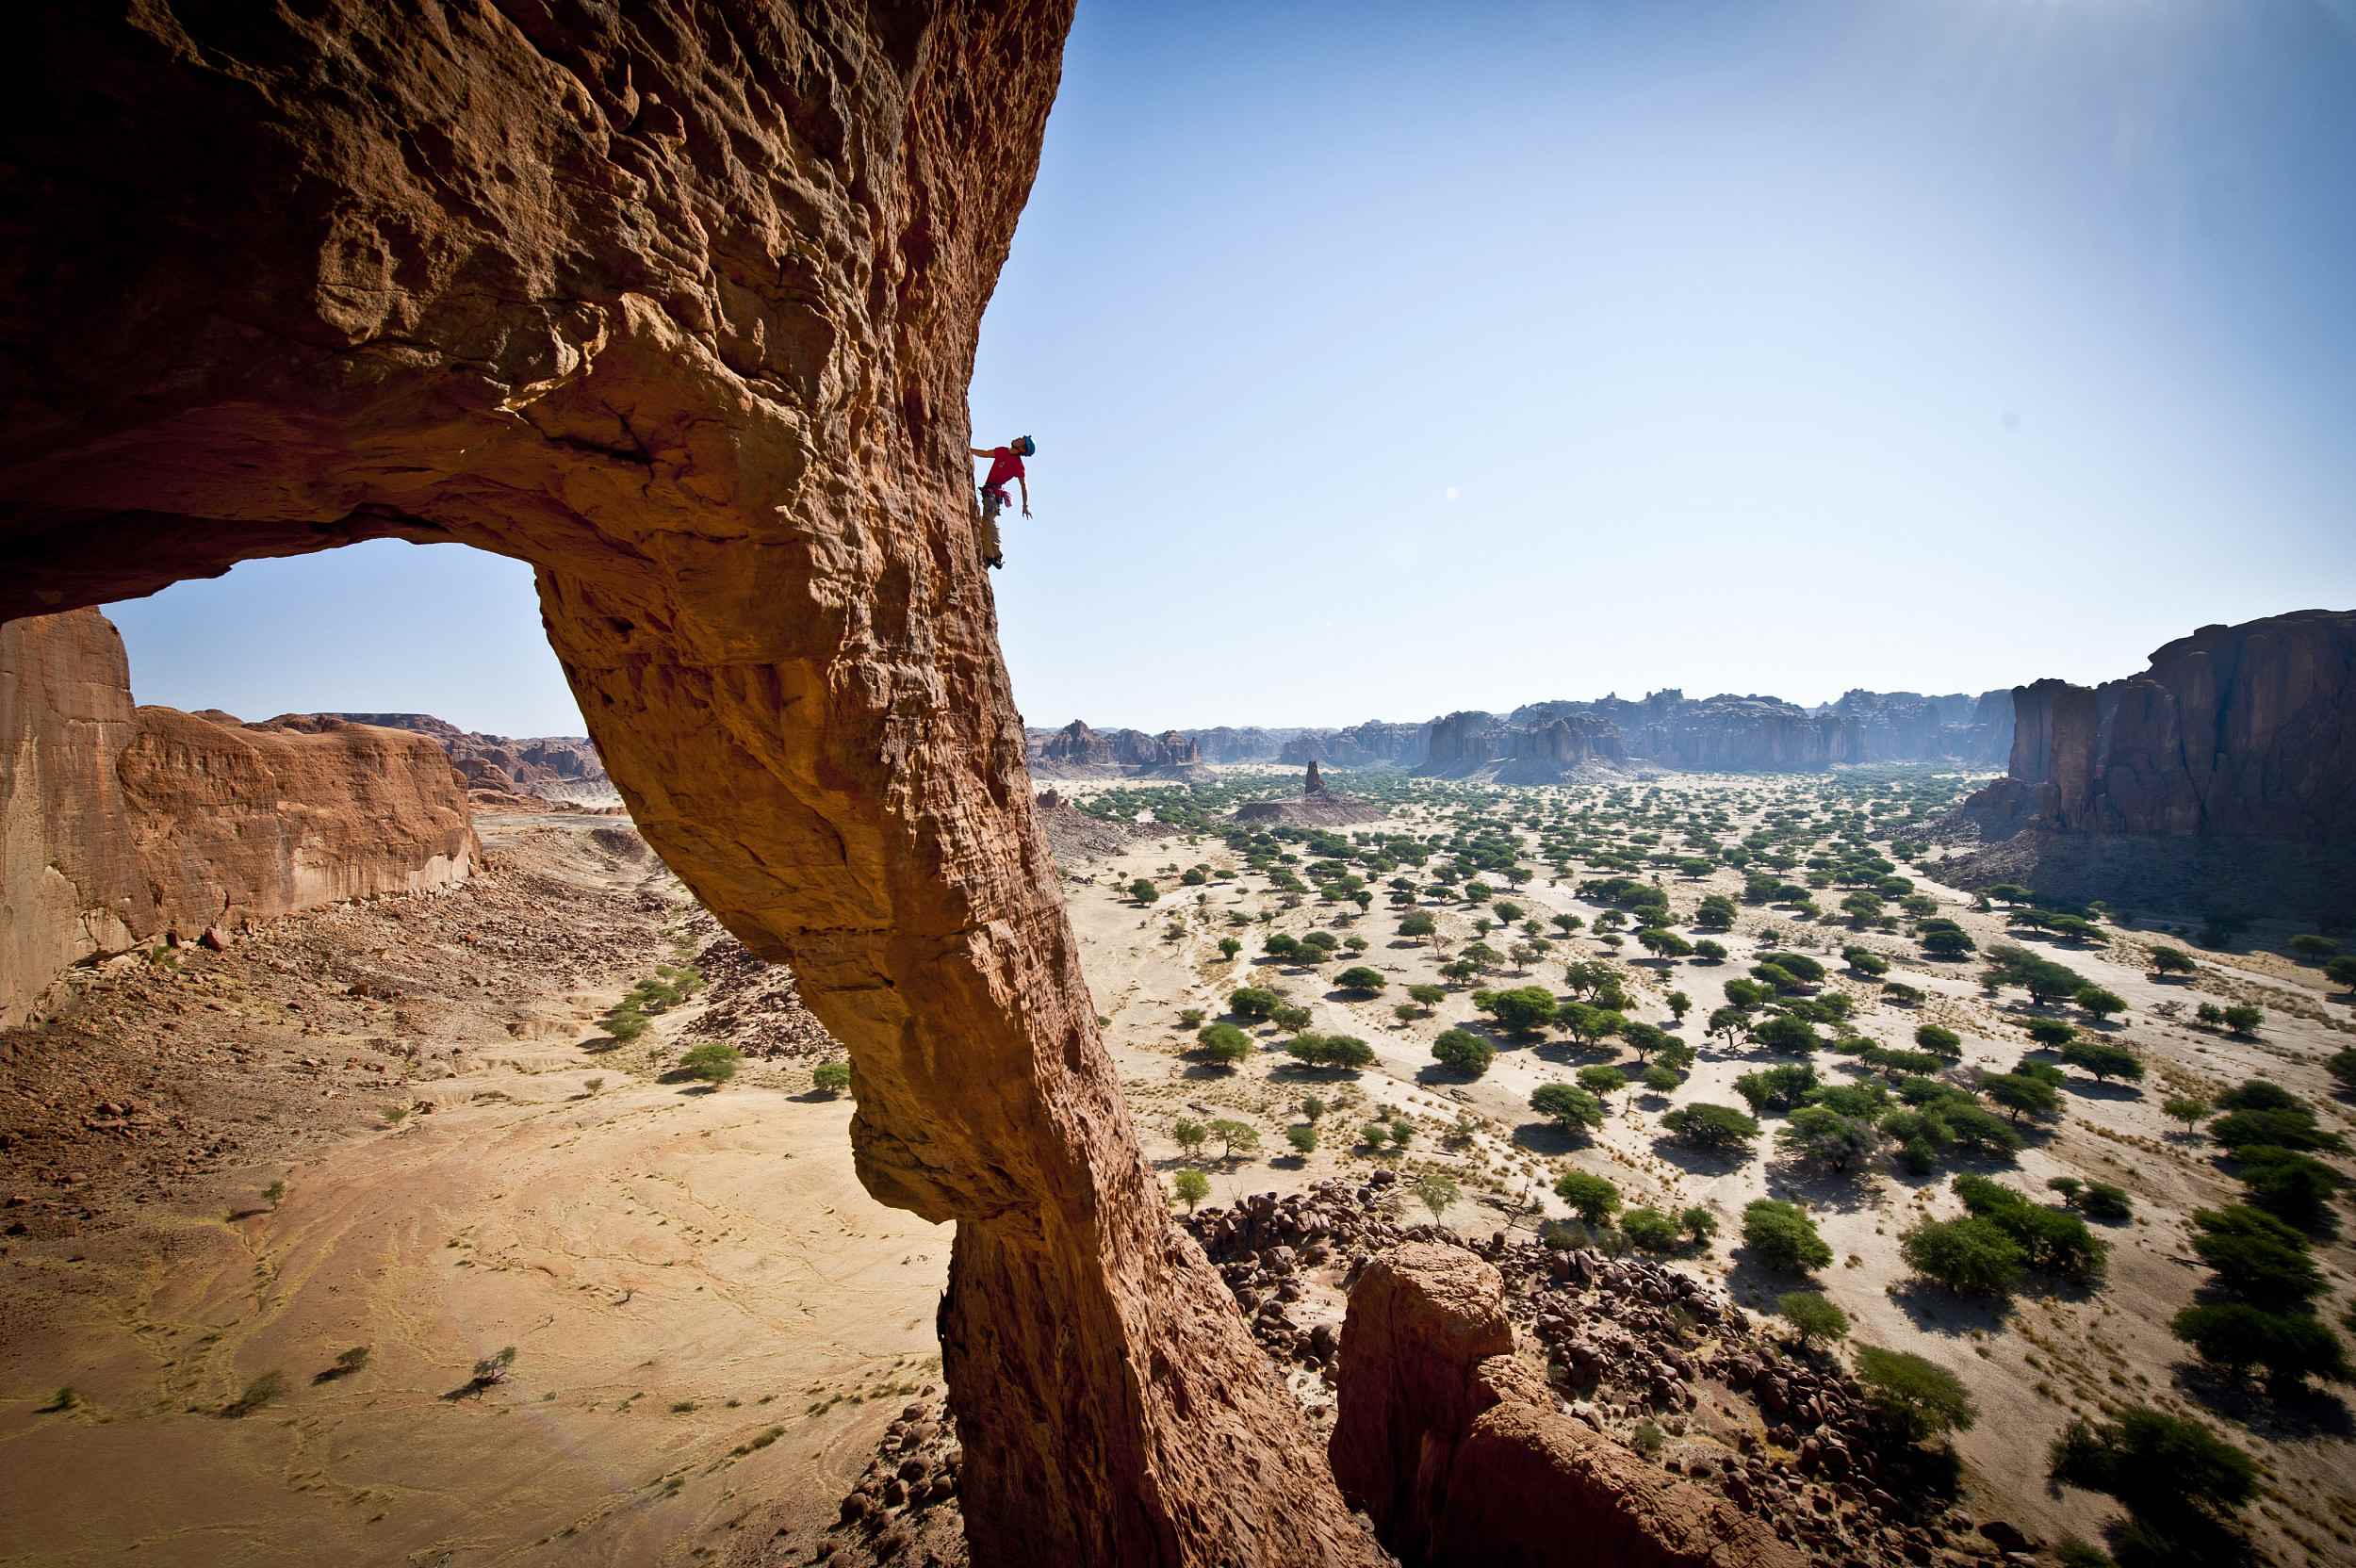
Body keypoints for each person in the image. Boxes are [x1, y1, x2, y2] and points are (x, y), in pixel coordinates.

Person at [969, 435, 1035, 568]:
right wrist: (968, 449)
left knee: (989, 520)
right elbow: (985, 453)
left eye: (1022, 440)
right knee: (986, 521)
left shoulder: (1018, 465)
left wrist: (1025, 505)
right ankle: (991, 555)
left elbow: (1023, 485)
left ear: (1022, 448)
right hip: (989, 492)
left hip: (994, 493)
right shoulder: (1003, 451)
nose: (1019, 438)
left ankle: (995, 555)